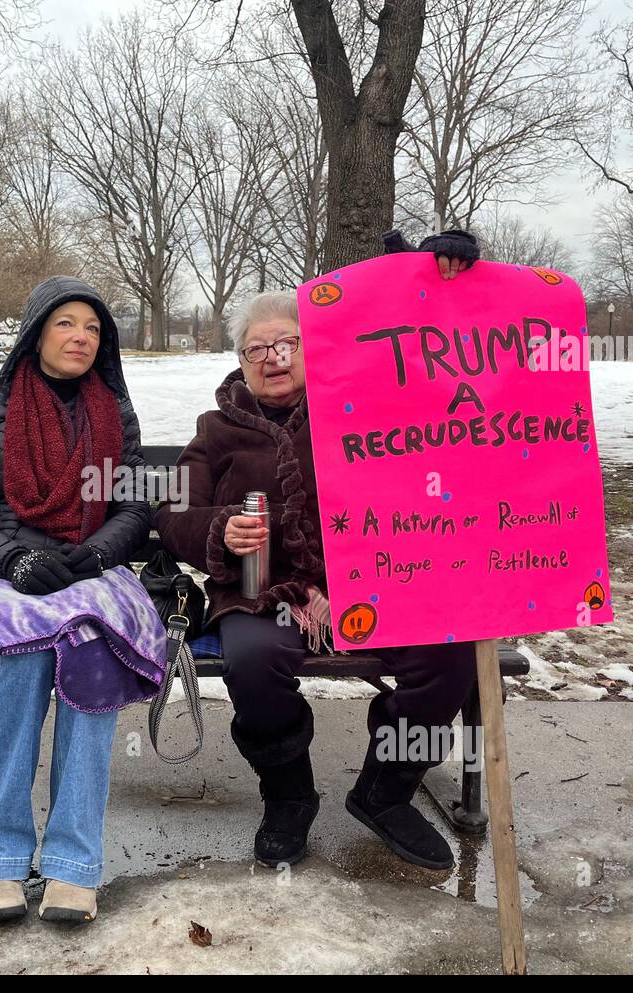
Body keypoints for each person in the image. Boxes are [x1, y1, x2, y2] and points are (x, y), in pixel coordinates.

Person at [154, 230, 483, 871]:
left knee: (448, 655)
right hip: (263, 592)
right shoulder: (217, 430)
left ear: (314, 348)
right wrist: (219, 527)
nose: (272, 358)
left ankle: (385, 793)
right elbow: (172, 516)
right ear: (241, 361)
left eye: (287, 344)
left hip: (376, 583)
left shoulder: (365, 406)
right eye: (256, 349)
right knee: (252, 661)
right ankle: (288, 795)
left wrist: (426, 273)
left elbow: (426, 360)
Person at [0, 276, 151, 924]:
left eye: (92, 328)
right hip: (10, 575)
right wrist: (14, 558)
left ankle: (72, 865)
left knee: (93, 652)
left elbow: (135, 508)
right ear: (36, 331)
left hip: (92, 573)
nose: (80, 337)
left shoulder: (115, 413)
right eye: (66, 323)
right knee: (28, 655)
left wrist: (91, 556)